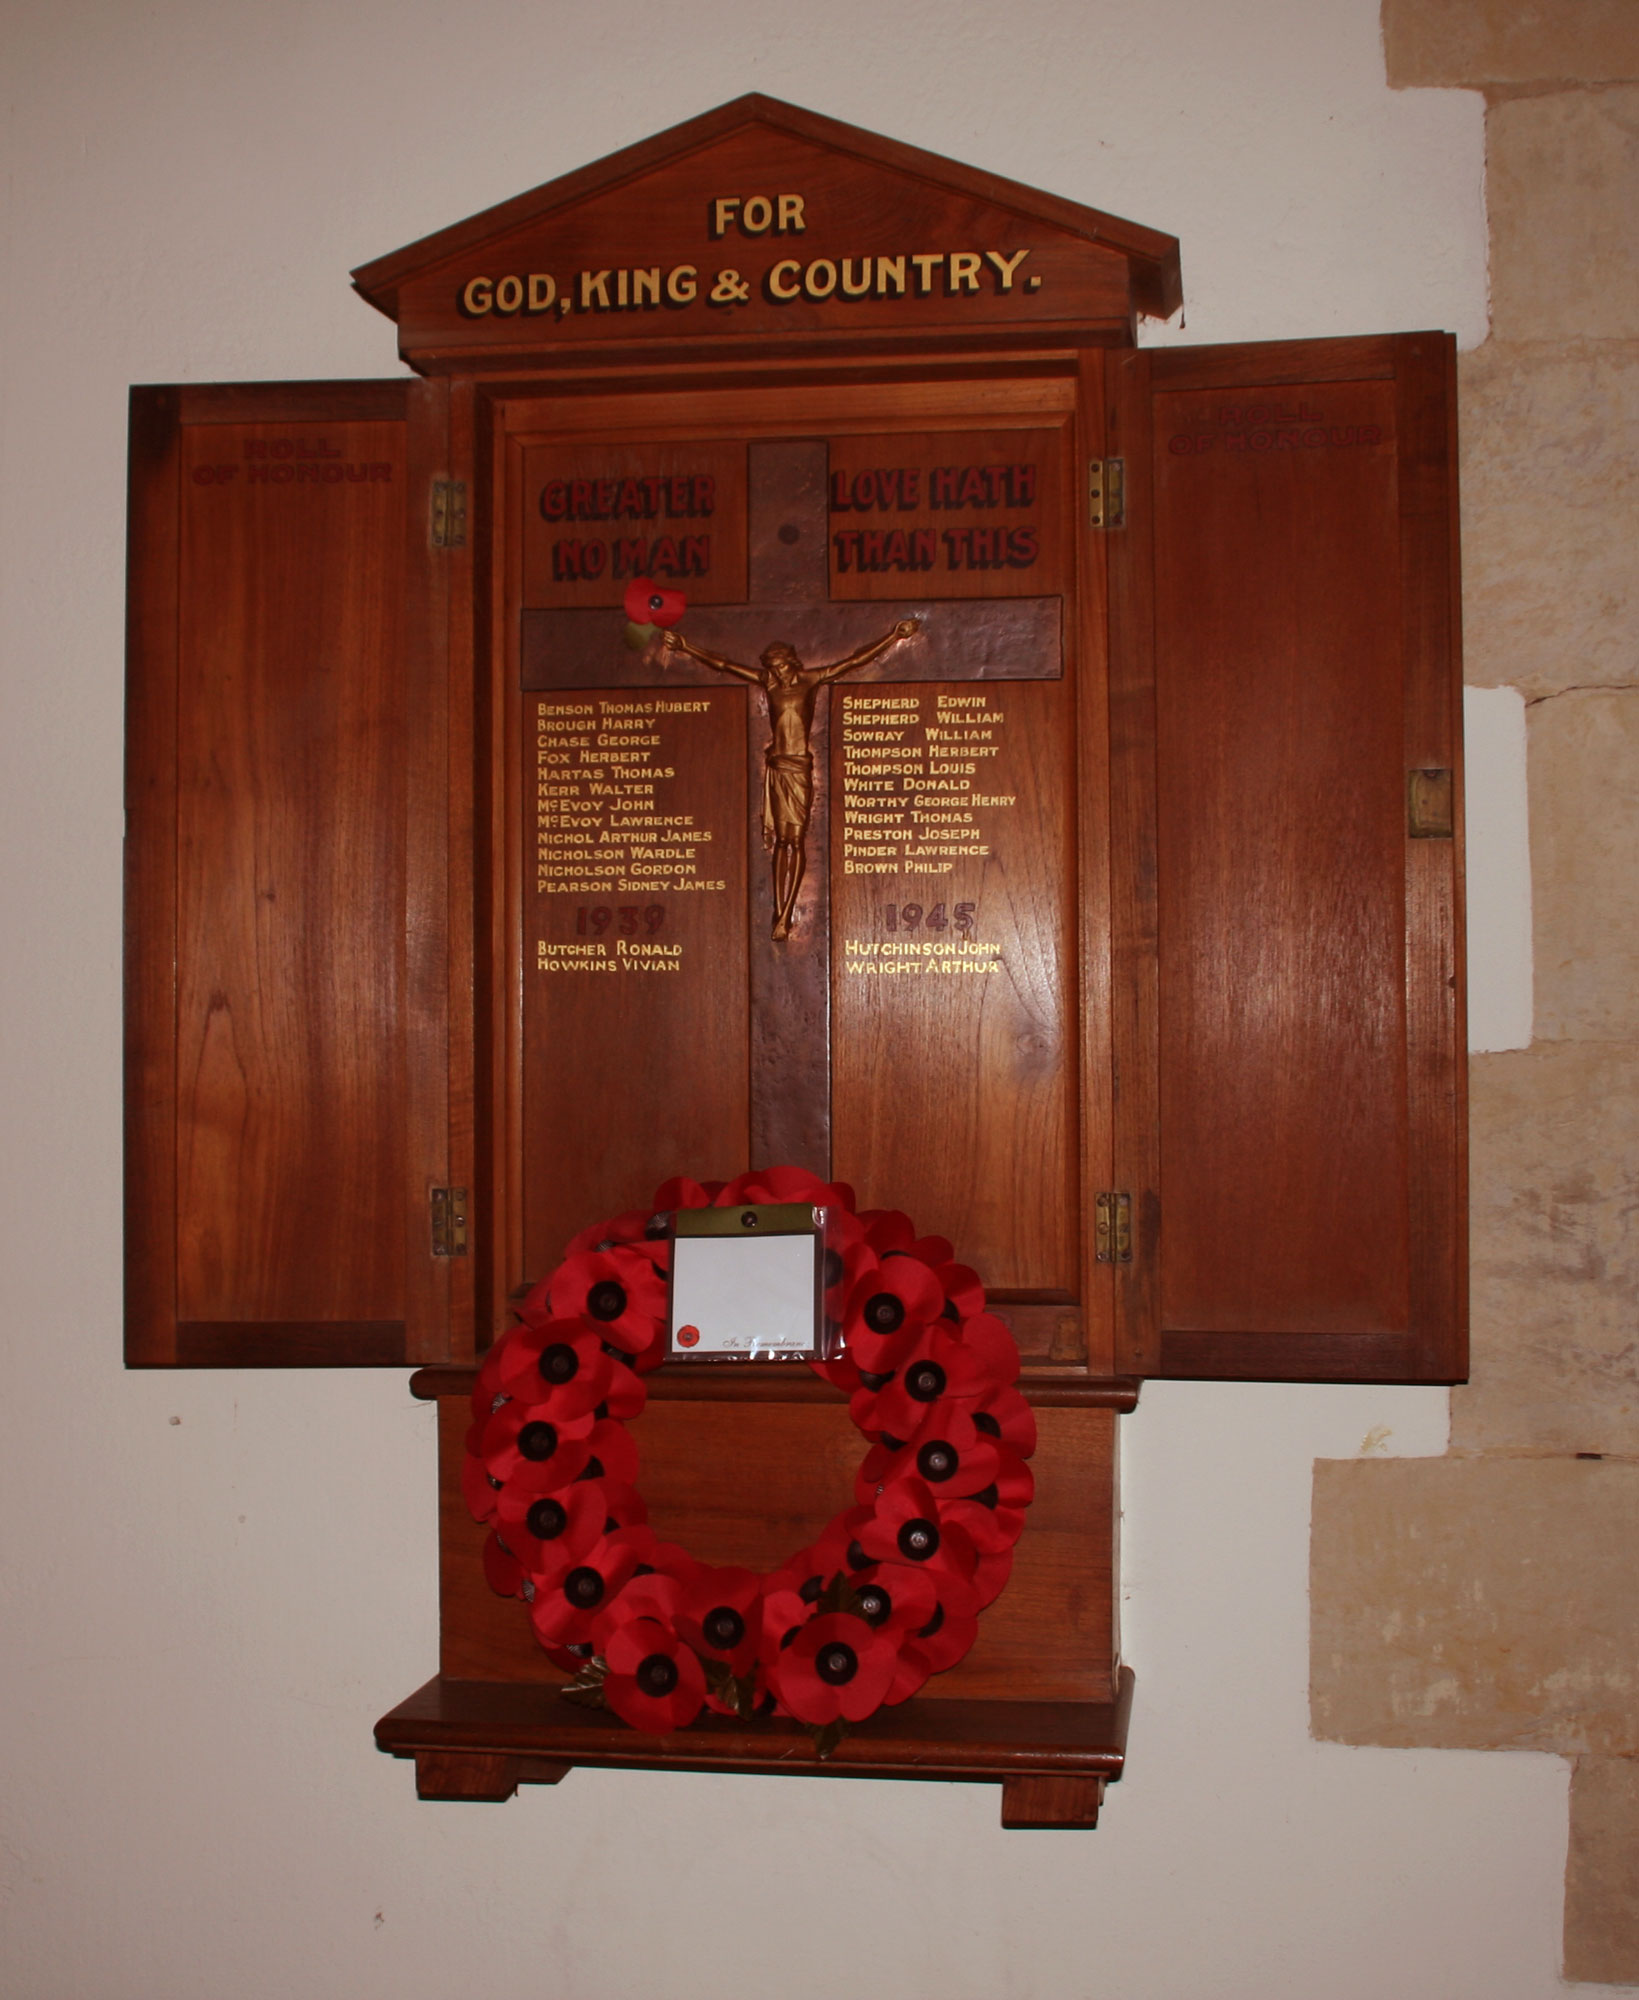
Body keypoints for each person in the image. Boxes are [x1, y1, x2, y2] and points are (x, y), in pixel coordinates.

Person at [661, 619, 919, 939]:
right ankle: (778, 910)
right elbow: (725, 665)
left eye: (781, 666)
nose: (778, 673)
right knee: (781, 842)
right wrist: (686, 647)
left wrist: (893, 636)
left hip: (798, 769)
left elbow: (853, 661)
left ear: (791, 663)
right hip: (777, 768)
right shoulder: (768, 683)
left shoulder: (810, 681)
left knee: (795, 840)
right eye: (772, 668)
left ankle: (786, 913)